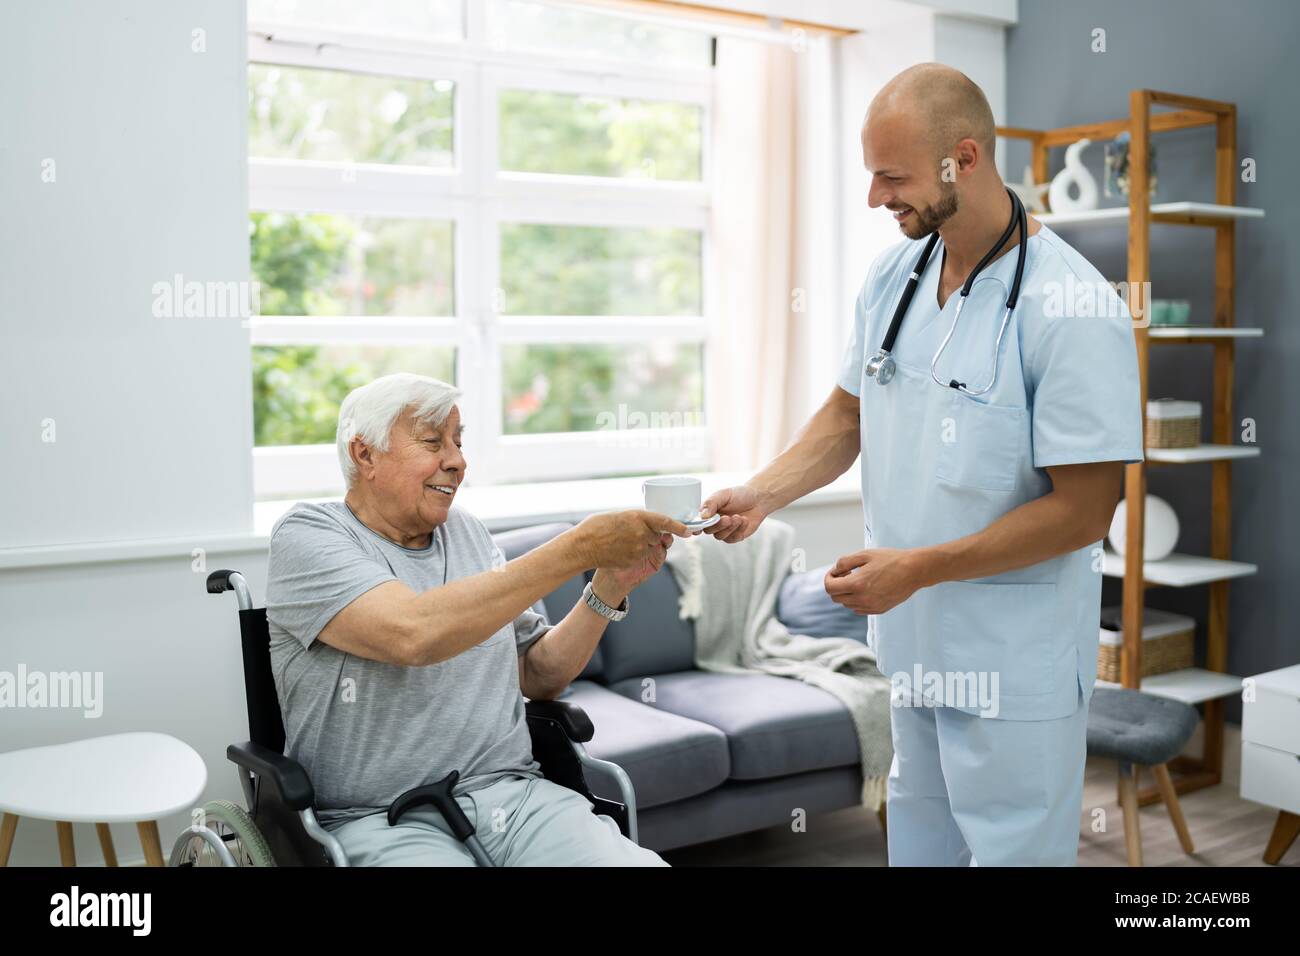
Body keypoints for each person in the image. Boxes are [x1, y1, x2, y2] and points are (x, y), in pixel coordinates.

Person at [698, 63, 1143, 865]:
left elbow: (1085, 511)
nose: (876, 198)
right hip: (912, 648)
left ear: (962, 160)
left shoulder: (1071, 308)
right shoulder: (893, 277)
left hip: (1014, 662)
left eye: (891, 177)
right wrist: (763, 493)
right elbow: (847, 415)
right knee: (920, 849)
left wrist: (921, 568)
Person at [266, 372, 688, 866]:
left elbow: (539, 674)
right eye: (432, 442)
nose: (457, 460)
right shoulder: (308, 537)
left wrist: (607, 587)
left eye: (459, 441)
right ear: (365, 455)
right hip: (379, 820)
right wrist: (577, 547)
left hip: (514, 799)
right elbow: (413, 634)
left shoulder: (465, 532)